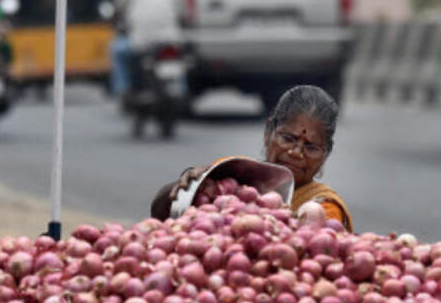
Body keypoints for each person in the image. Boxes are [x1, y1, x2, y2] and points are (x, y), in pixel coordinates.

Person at [150, 85, 353, 231]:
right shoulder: (233, 175)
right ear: (268, 132)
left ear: (326, 153)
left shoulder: (325, 207)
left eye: (311, 147)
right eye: (288, 138)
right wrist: (187, 184)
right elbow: (161, 212)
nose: (296, 153)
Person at [109, 0, 186, 96]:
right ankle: (182, 90)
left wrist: (116, 22)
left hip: (140, 41)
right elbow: (184, 13)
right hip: (171, 40)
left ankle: (123, 90)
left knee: (117, 51)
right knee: (182, 62)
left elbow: (118, 10)